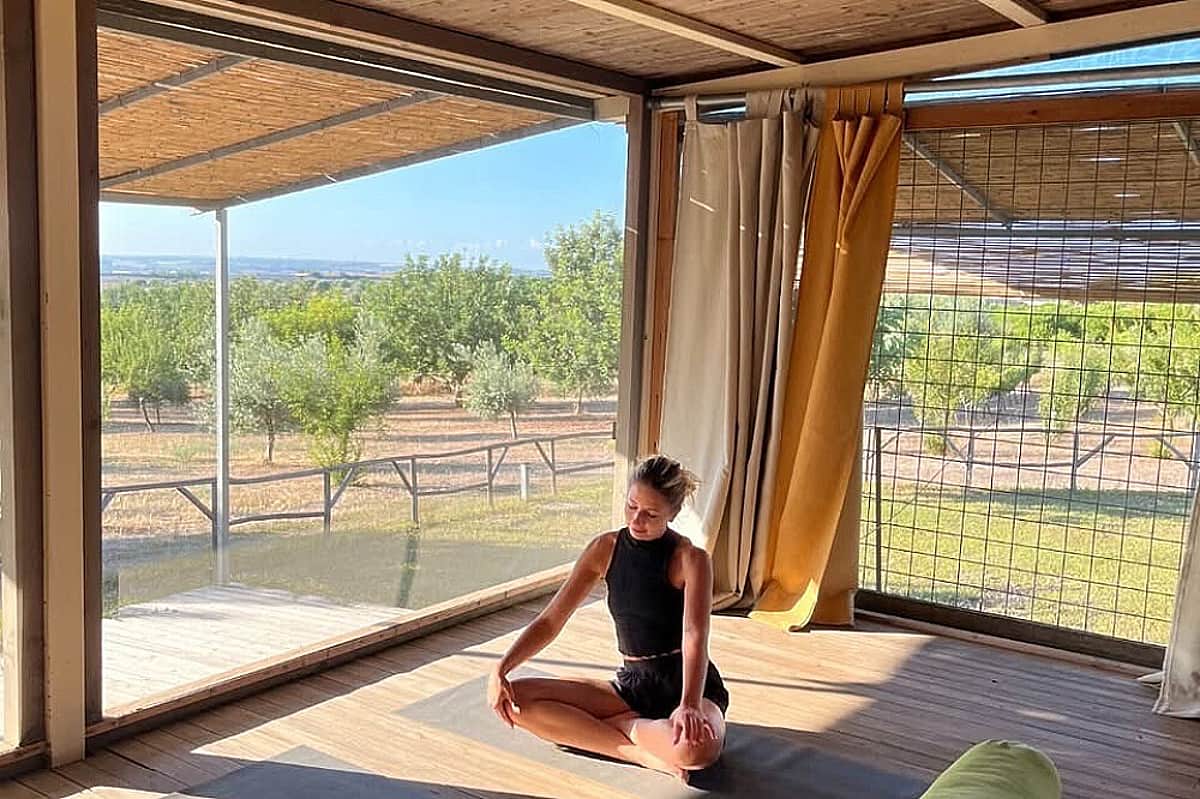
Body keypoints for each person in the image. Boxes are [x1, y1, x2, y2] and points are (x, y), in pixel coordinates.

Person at [487, 455, 729, 782]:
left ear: (672, 514)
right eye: (631, 506)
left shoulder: (691, 559)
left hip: (688, 686)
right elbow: (550, 621)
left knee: (694, 752)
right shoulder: (605, 548)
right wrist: (501, 668)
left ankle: (617, 728)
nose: (636, 519)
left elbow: (694, 636)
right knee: (512, 700)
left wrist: (689, 705)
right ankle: (636, 748)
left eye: (650, 513)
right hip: (633, 685)